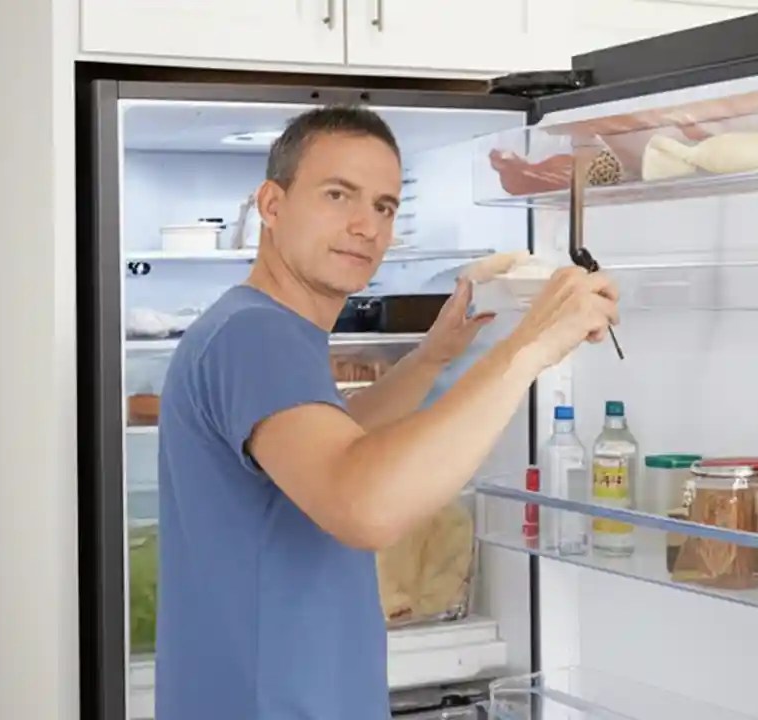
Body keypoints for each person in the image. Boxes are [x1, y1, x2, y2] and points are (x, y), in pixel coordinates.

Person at [154, 105, 619, 719]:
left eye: (384, 206)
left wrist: (429, 359)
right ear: (271, 205)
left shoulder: (256, 327)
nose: (365, 225)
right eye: (337, 194)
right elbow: (364, 505)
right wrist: (527, 349)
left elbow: (333, 446)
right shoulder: (256, 337)